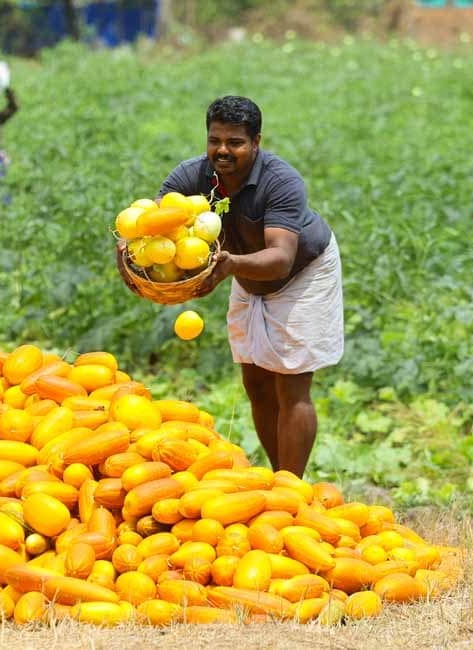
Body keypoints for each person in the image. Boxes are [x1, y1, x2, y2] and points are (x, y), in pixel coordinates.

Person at [120, 96, 343, 477]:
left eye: (235, 142)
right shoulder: (192, 176)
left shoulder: (280, 181)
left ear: (256, 141)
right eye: (215, 140)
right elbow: (149, 223)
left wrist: (229, 267)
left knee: (291, 384)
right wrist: (126, 250)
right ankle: (277, 480)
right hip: (242, 268)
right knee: (255, 380)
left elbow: (281, 257)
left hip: (302, 272)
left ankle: (291, 489)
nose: (222, 150)